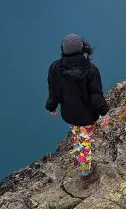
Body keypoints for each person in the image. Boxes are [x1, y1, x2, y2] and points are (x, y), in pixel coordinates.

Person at [46, 34, 110, 185]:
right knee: (85, 142)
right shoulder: (91, 70)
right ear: (82, 48)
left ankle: (77, 154)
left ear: (63, 50)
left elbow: (53, 91)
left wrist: (51, 106)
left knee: (76, 133)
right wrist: (104, 112)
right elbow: (95, 96)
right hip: (87, 116)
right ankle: (86, 172)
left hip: (68, 113)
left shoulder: (55, 67)